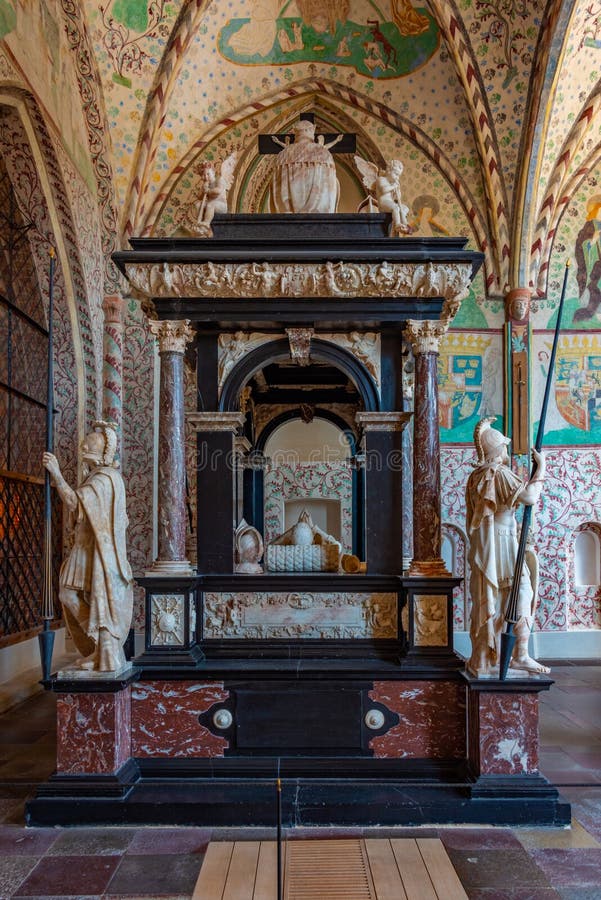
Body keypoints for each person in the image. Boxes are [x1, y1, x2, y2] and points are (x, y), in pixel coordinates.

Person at [42, 421, 133, 673]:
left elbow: (73, 502)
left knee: (75, 594)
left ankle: (104, 650)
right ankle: (101, 650)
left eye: (88, 445)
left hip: (95, 552)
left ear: (100, 451)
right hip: (89, 547)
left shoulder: (103, 480)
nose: (83, 447)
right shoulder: (102, 478)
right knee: (73, 594)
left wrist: (56, 473)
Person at [466, 417, 550, 677]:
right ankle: (519, 656)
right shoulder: (498, 473)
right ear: (498, 449)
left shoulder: (477, 475)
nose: (506, 449)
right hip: (502, 543)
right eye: (504, 445)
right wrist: (541, 468)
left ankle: (483, 659)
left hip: (490, 544)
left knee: (494, 599)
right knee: (521, 593)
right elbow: (530, 497)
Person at [270, 119, 342, 214]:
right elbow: (330, 189)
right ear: (311, 131)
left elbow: (276, 187)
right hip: (320, 217)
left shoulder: (282, 155)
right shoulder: (324, 153)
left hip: (287, 218)